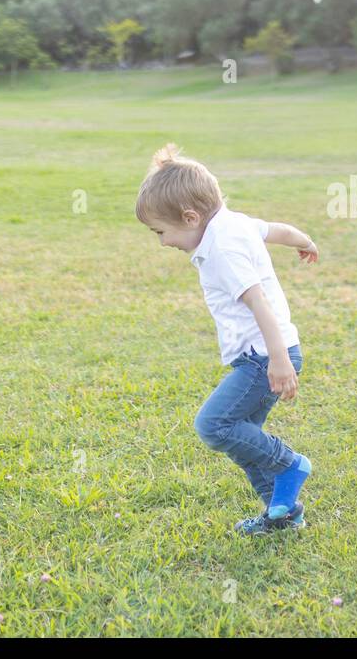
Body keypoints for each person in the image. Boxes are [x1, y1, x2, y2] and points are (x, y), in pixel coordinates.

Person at [136, 143, 319, 533]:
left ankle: (290, 464)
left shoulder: (222, 249)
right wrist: (305, 241)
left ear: (189, 217)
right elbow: (277, 230)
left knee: (214, 425)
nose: (162, 242)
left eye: (161, 232)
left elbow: (260, 304)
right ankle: (281, 516)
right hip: (266, 353)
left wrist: (279, 361)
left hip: (263, 357)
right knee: (243, 440)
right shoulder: (233, 223)